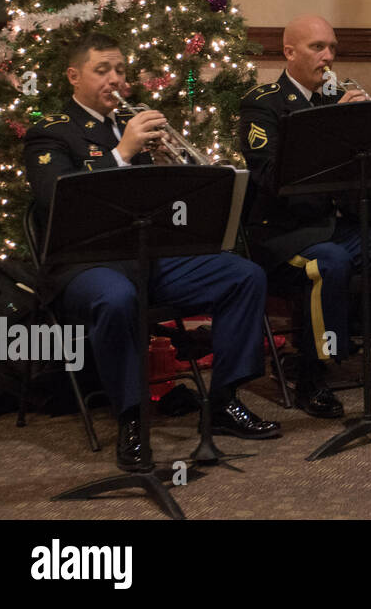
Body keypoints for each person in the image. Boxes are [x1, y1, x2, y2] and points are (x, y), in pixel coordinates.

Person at [24, 32, 280, 472]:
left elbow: (165, 207)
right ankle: (131, 417)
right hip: (87, 263)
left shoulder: (133, 124)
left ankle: (223, 398)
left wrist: (170, 171)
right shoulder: (51, 132)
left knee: (243, 275)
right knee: (117, 297)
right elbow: (56, 198)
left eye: (120, 70)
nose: (115, 79)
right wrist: (122, 152)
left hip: (148, 256)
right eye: (102, 70)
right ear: (74, 76)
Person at [239, 15, 371, 418]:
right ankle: (311, 376)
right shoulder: (263, 104)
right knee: (330, 261)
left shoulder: (336, 98)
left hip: (338, 227)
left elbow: (368, 178)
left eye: (332, 47)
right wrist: (332, 129)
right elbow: (268, 178)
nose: (328, 57)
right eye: (318, 47)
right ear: (289, 52)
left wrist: (367, 133)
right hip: (285, 236)